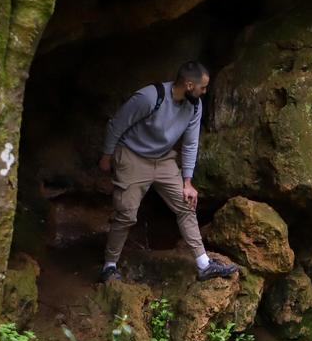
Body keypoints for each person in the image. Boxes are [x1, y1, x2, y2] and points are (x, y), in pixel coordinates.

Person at [98, 61, 237, 282]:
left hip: (163, 159)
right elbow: (118, 124)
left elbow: (191, 144)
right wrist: (107, 156)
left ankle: (204, 264)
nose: (205, 92)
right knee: (126, 213)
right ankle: (109, 266)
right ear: (189, 85)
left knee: (185, 203)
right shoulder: (149, 97)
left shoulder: (194, 105)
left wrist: (187, 181)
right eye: (203, 87)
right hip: (133, 156)